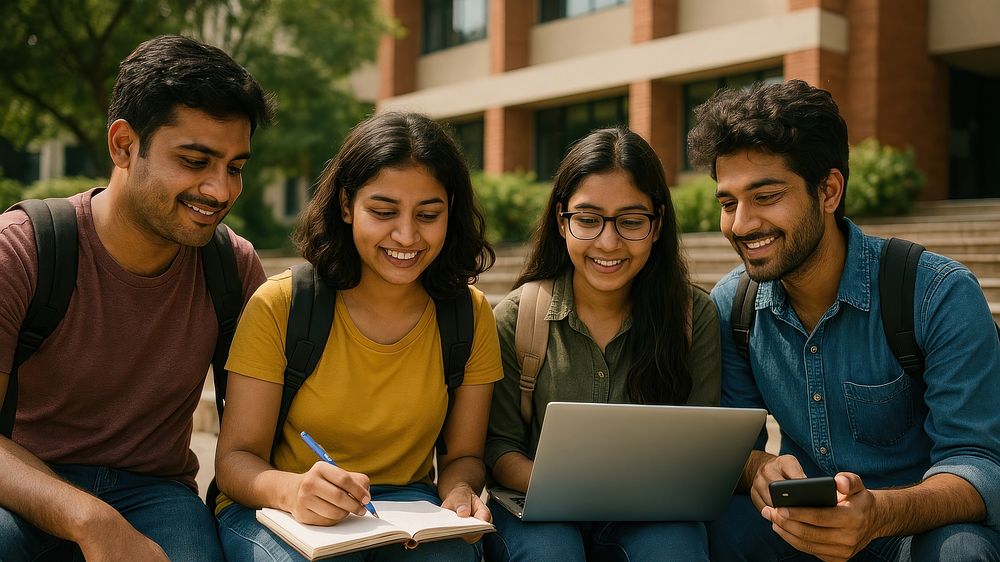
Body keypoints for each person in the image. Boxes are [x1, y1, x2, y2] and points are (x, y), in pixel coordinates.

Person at [687, 79, 1000, 560]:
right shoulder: (734, 305)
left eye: (766, 196)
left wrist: (877, 514)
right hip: (795, 530)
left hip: (913, 531)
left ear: (829, 191)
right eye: (728, 203)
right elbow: (732, 452)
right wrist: (758, 467)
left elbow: (980, 464)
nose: (741, 224)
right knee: (707, 528)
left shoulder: (937, 293)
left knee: (962, 549)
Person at [0, 35, 273, 561]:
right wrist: (92, 519)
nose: (220, 191)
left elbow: (253, 438)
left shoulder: (232, 268)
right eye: (195, 161)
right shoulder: (22, 250)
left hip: (157, 494)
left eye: (235, 167)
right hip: (23, 486)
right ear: (124, 145)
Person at [213, 111, 502, 561]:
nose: (407, 235)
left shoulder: (470, 314)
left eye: (429, 214)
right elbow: (235, 463)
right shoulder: (282, 304)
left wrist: (462, 490)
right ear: (346, 205)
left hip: (408, 507)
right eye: (383, 212)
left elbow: (464, 455)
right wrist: (294, 491)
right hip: (281, 507)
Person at [483, 127, 722, 561]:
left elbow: (703, 449)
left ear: (657, 224)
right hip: (538, 508)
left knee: (675, 551)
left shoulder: (693, 317)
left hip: (651, 511)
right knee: (549, 554)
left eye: (631, 221)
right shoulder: (517, 318)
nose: (608, 243)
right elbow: (499, 447)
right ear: (561, 221)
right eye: (588, 219)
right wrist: (564, 486)